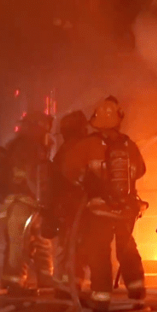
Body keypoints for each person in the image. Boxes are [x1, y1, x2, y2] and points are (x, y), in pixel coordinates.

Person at [59, 96, 147, 311]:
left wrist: (85, 183)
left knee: (98, 251)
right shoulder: (129, 144)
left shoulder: (88, 144)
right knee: (126, 248)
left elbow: (68, 172)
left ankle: (101, 297)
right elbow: (141, 170)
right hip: (126, 208)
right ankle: (137, 289)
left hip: (99, 209)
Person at [0, 110, 57, 296]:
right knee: (19, 242)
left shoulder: (21, 145)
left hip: (24, 203)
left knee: (40, 240)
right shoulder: (27, 147)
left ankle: (43, 279)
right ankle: (15, 281)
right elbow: (31, 176)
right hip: (21, 203)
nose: (47, 130)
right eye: (44, 126)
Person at [51, 110, 90, 293]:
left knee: (68, 244)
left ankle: (66, 283)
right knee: (78, 244)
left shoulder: (66, 150)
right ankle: (73, 282)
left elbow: (55, 178)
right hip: (82, 206)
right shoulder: (88, 147)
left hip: (69, 206)